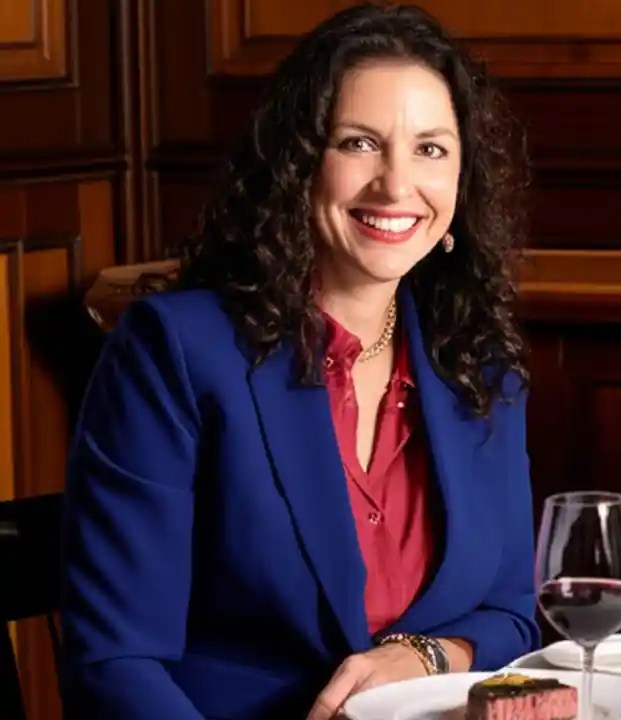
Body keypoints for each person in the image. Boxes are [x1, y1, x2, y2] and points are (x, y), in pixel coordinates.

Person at [59, 4, 538, 718]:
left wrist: (429, 654)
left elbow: (510, 613)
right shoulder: (177, 352)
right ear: (298, 166)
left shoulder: (478, 363)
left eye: (431, 149)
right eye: (359, 143)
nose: (396, 185)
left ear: (462, 183)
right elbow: (116, 659)